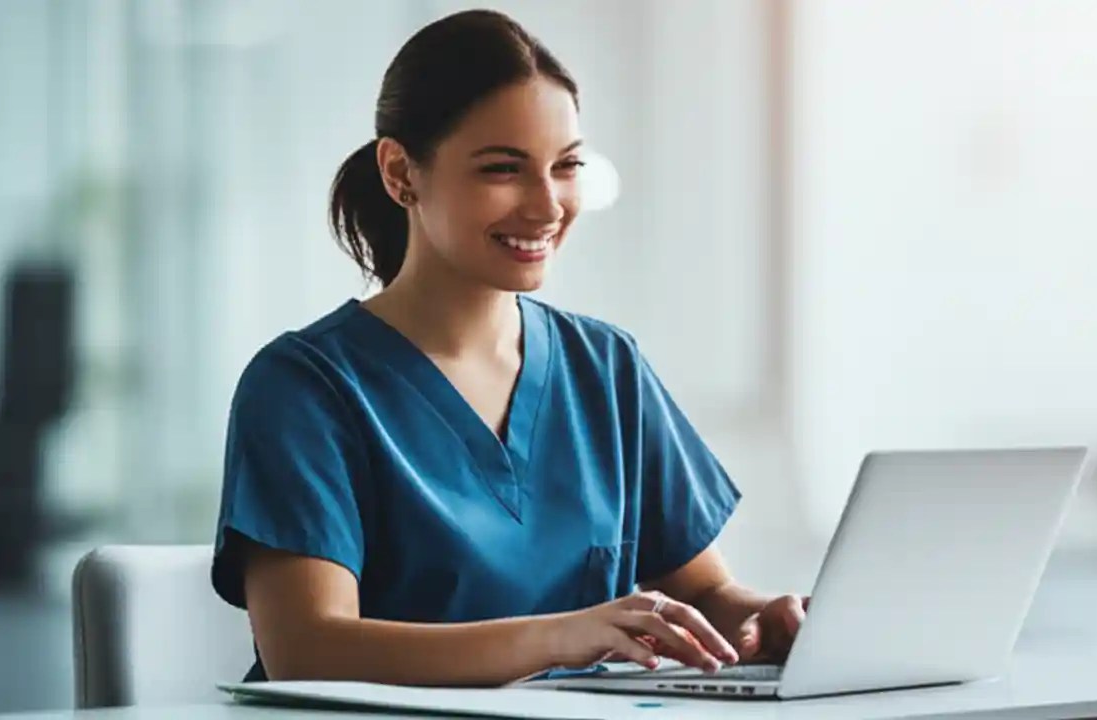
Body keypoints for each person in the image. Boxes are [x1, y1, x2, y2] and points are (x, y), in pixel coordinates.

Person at [209, 9, 808, 687]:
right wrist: (560, 636)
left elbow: (705, 594)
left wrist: (771, 620)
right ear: (401, 172)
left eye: (567, 166)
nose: (547, 206)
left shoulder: (606, 368)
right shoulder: (305, 387)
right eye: (503, 169)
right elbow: (307, 651)